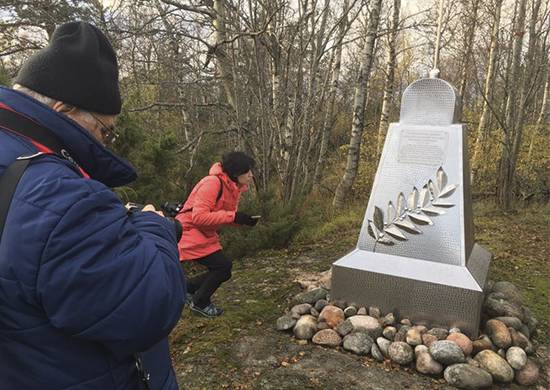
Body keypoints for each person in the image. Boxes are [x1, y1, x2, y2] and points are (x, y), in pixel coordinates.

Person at [0, 22, 186, 390]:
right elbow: (149, 306)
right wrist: (154, 226)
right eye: (105, 129)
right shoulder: (57, 194)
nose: (106, 142)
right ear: (64, 108)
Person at [176, 152, 258, 317]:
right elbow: (198, 217)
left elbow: (222, 215)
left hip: (204, 232)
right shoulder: (212, 183)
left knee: (223, 269)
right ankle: (200, 303)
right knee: (223, 266)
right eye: (248, 171)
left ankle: (188, 289)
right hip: (188, 231)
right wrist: (234, 216)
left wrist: (242, 220)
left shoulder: (233, 187)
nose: (251, 175)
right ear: (236, 172)